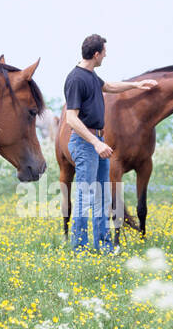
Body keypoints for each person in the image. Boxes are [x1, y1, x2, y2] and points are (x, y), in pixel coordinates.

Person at [63, 35, 157, 252]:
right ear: (96, 54)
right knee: (84, 197)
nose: (106, 55)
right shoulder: (76, 79)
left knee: (102, 197)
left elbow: (110, 86)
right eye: (104, 51)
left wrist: (136, 84)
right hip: (86, 144)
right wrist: (96, 143)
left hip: (97, 141)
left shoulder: (91, 76)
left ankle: (104, 246)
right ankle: (79, 249)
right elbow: (71, 119)